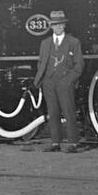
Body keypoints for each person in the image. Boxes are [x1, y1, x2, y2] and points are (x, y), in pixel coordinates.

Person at [33, 10, 85, 153]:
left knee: (69, 112)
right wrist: (43, 80)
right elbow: (41, 63)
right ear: (51, 26)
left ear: (64, 25)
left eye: (60, 24)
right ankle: (55, 142)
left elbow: (79, 65)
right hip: (49, 82)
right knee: (53, 112)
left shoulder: (73, 42)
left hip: (65, 82)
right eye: (55, 24)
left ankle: (73, 143)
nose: (58, 27)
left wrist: (69, 80)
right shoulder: (45, 43)